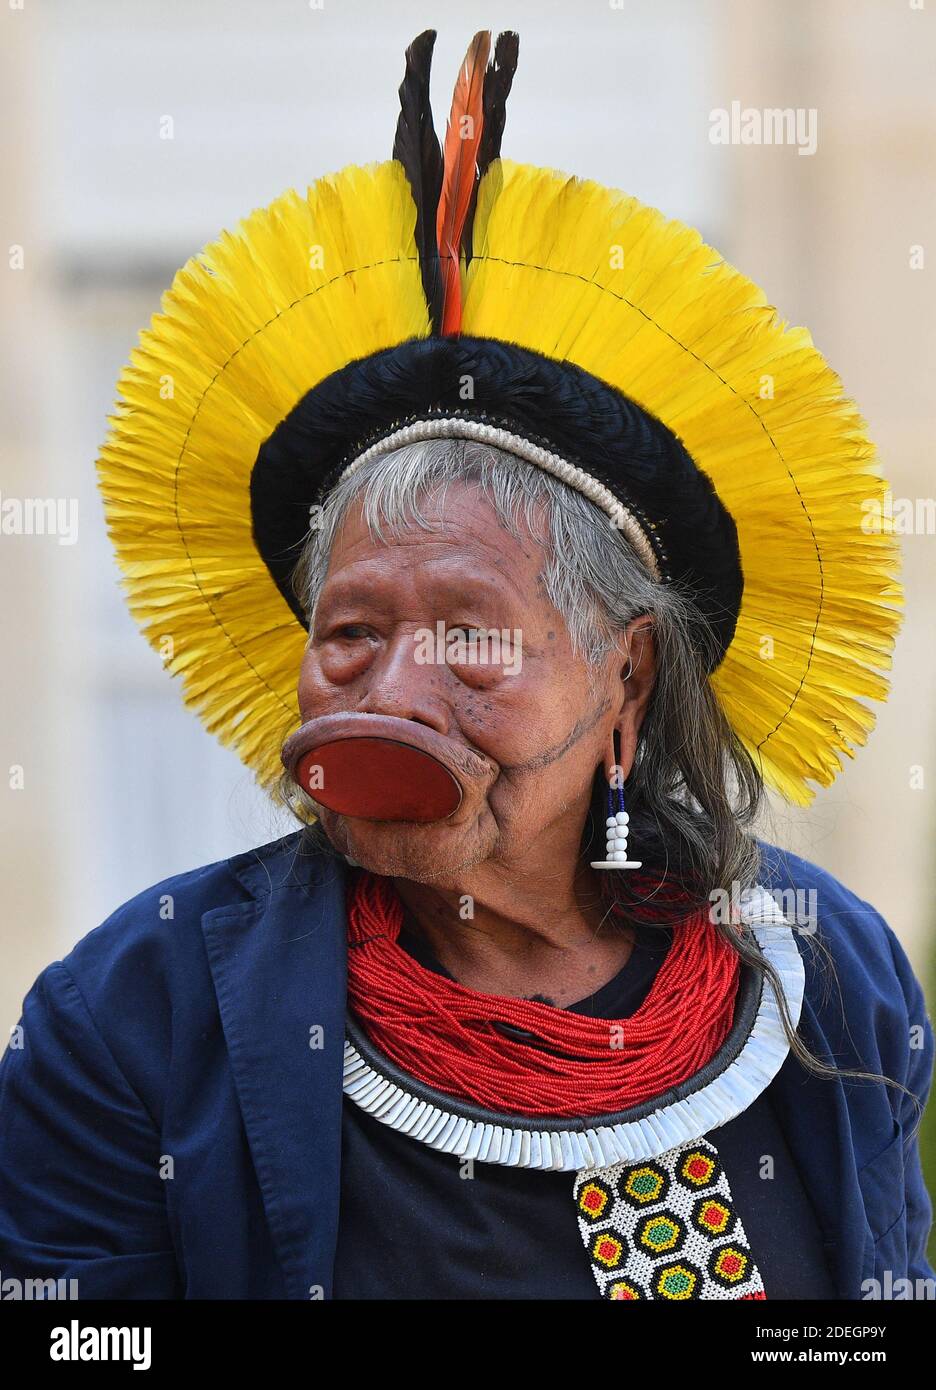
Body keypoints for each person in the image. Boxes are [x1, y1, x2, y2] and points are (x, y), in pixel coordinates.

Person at [0, 29, 932, 1302]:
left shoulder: (828, 976)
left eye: (471, 635)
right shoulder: (136, 1017)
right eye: (351, 636)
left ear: (627, 686)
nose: (390, 693)